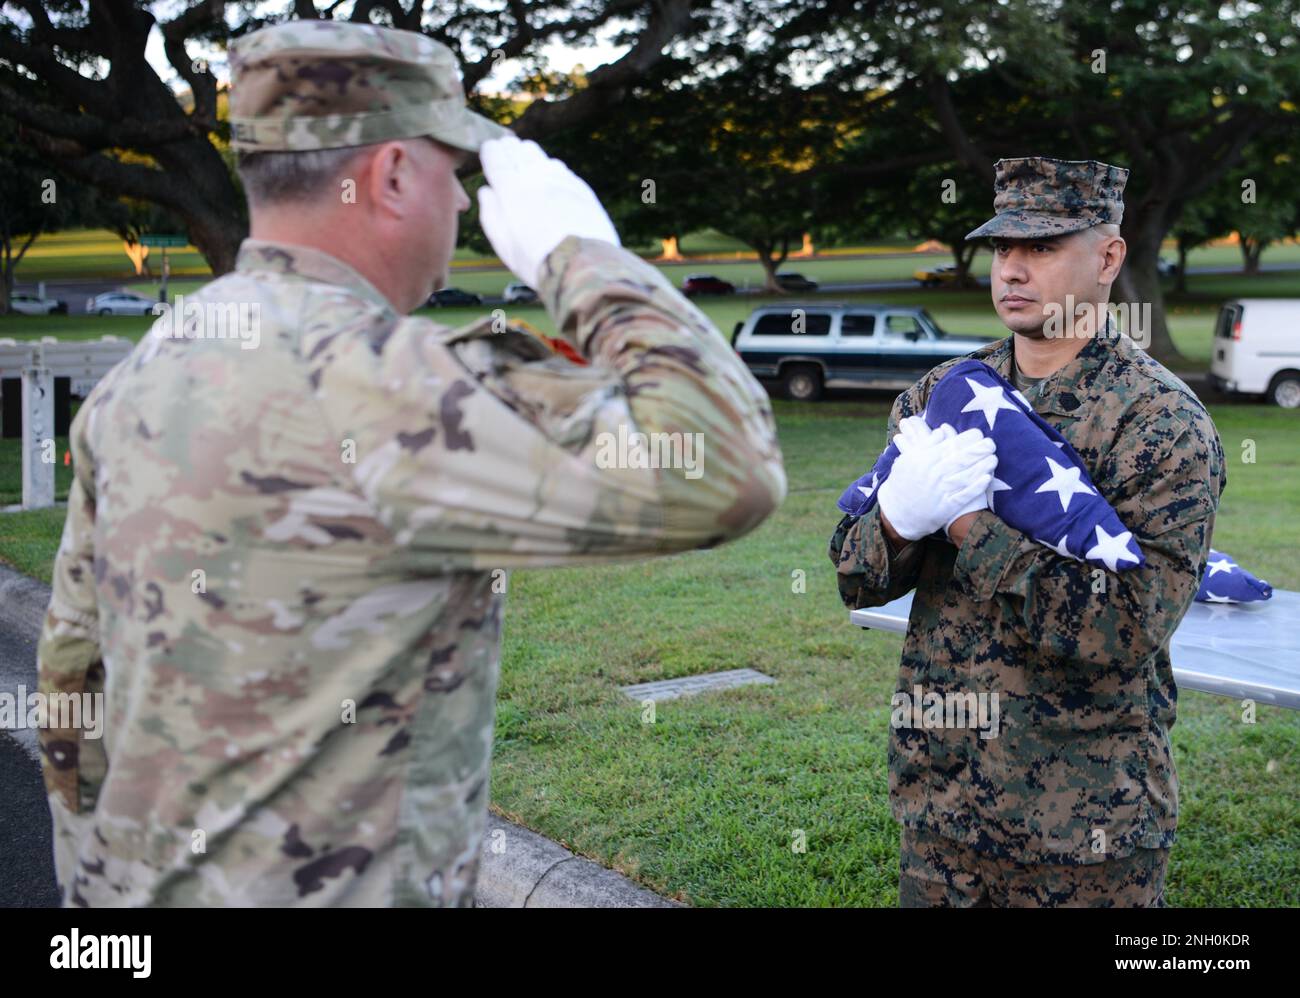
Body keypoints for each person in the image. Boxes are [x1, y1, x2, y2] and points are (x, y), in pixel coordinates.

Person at [35, 20, 786, 907]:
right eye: (453, 172)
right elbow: (724, 470)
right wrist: (585, 258)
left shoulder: (148, 368)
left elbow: (71, 671)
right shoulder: (388, 383)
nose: (464, 204)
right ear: (393, 175)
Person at [830, 156, 1225, 907]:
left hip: (1084, 825)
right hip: (943, 806)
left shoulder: (1161, 423)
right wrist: (896, 519)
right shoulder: (944, 395)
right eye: (1002, 248)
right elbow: (856, 578)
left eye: (1041, 248)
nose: (1011, 269)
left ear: (1108, 257)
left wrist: (971, 524)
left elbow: (1124, 627)